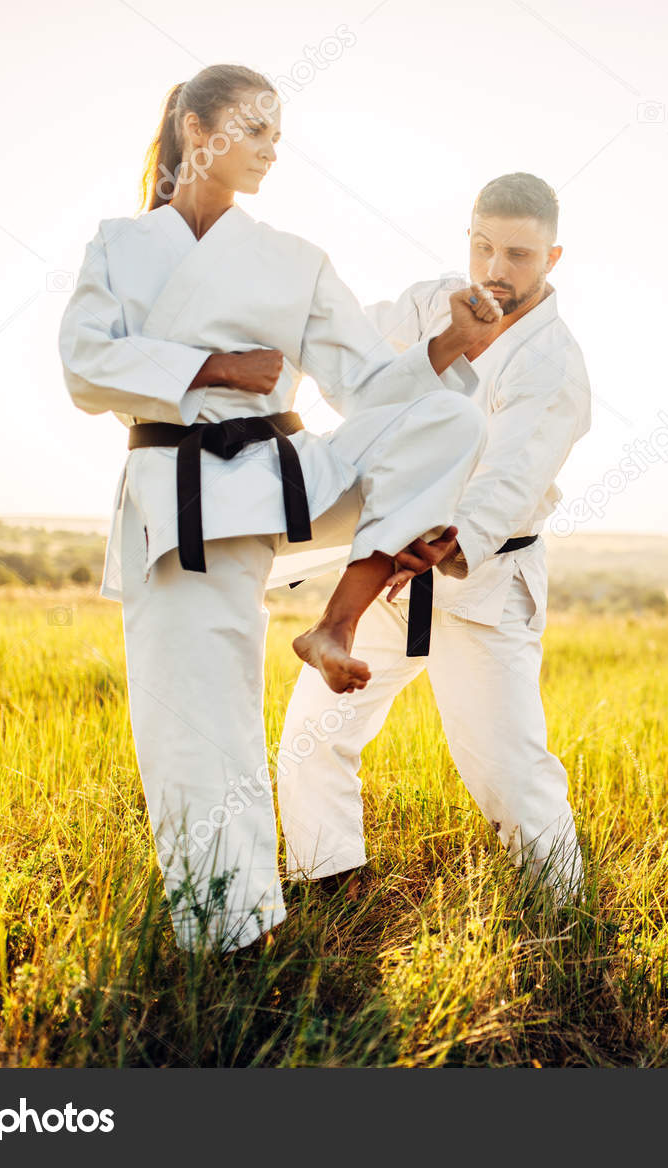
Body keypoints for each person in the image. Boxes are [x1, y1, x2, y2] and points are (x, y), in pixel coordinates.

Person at [57, 63, 501, 952]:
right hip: (179, 506)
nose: (269, 150)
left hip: (282, 484)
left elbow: (373, 388)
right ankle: (232, 932)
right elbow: (81, 367)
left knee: (447, 416)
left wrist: (454, 341)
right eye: (253, 129)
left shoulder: (294, 261)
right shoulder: (119, 246)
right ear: (196, 130)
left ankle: (337, 620)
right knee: (197, 724)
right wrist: (213, 370)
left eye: (276, 136)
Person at [276, 173, 591, 902]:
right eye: (483, 247)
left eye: (518, 254)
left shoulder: (553, 365)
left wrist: (446, 543)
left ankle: (567, 922)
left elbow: (507, 485)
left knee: (507, 770)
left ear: (553, 257)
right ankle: (332, 890)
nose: (495, 270)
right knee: (313, 734)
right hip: (389, 571)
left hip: (478, 579)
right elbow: (351, 354)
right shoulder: (430, 304)